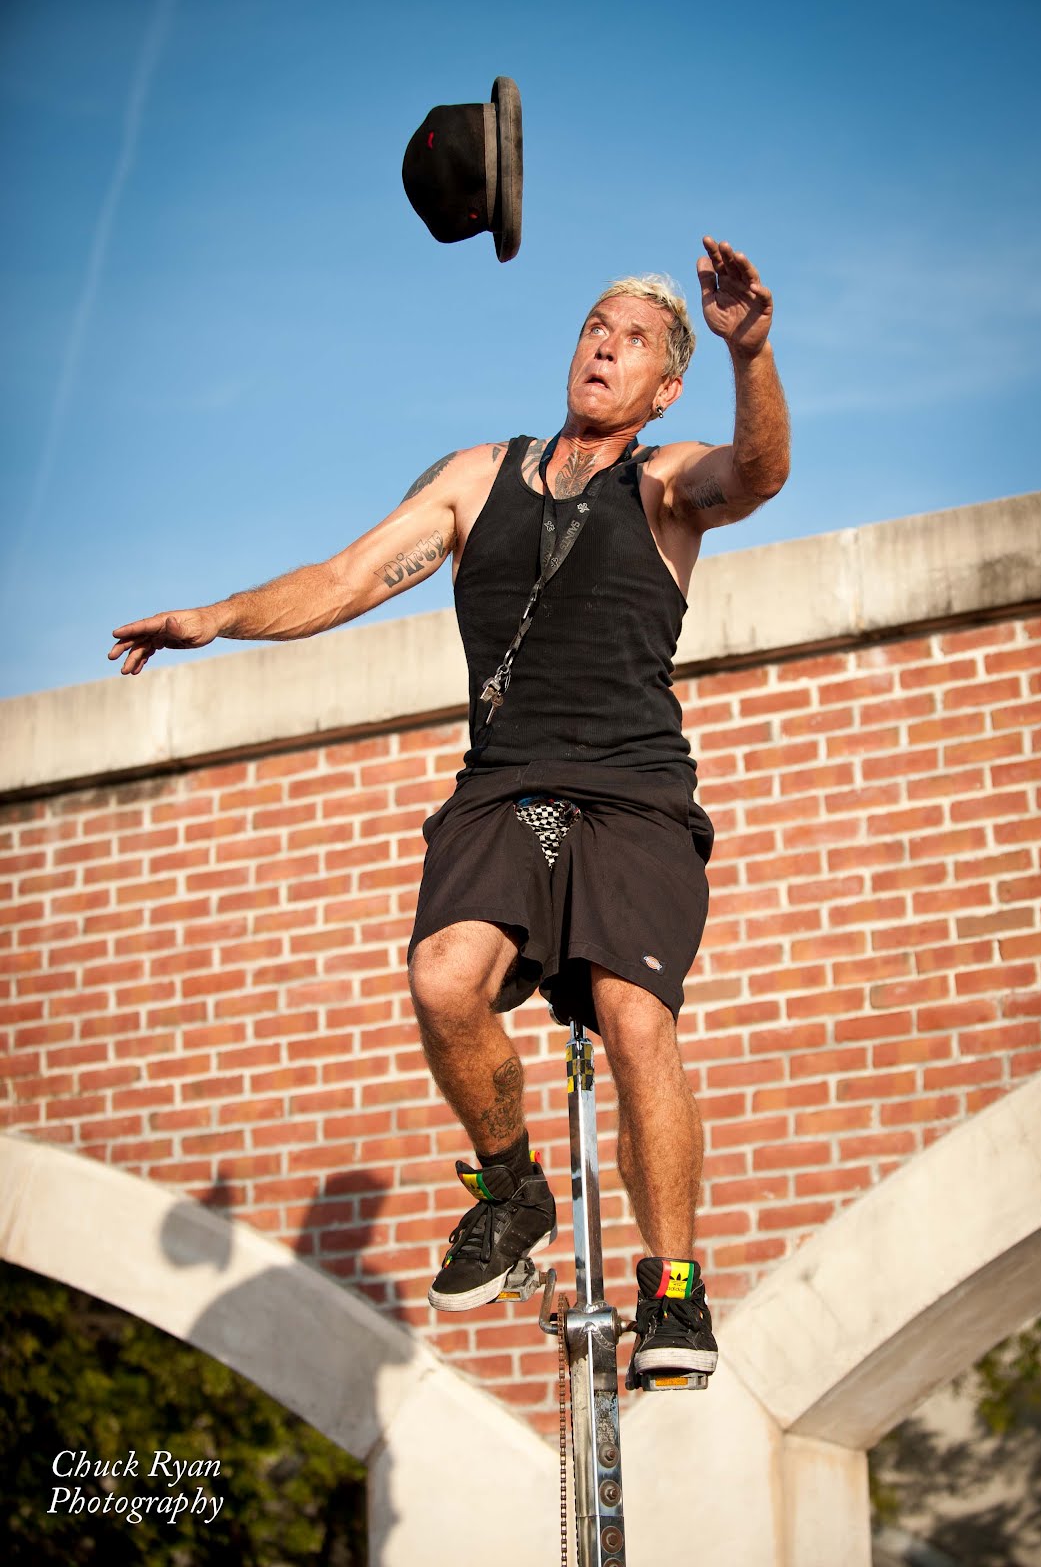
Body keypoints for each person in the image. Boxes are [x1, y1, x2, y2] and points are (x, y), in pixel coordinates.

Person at [110, 236, 790, 1379]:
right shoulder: (480, 476)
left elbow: (761, 471)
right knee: (442, 977)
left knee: (633, 1014)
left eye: (631, 341)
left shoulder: (668, 480)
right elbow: (345, 577)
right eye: (593, 327)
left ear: (665, 383)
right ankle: (512, 1183)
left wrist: (753, 352)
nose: (603, 347)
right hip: (510, 792)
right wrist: (217, 615)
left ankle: (673, 1287)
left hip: (631, 794)